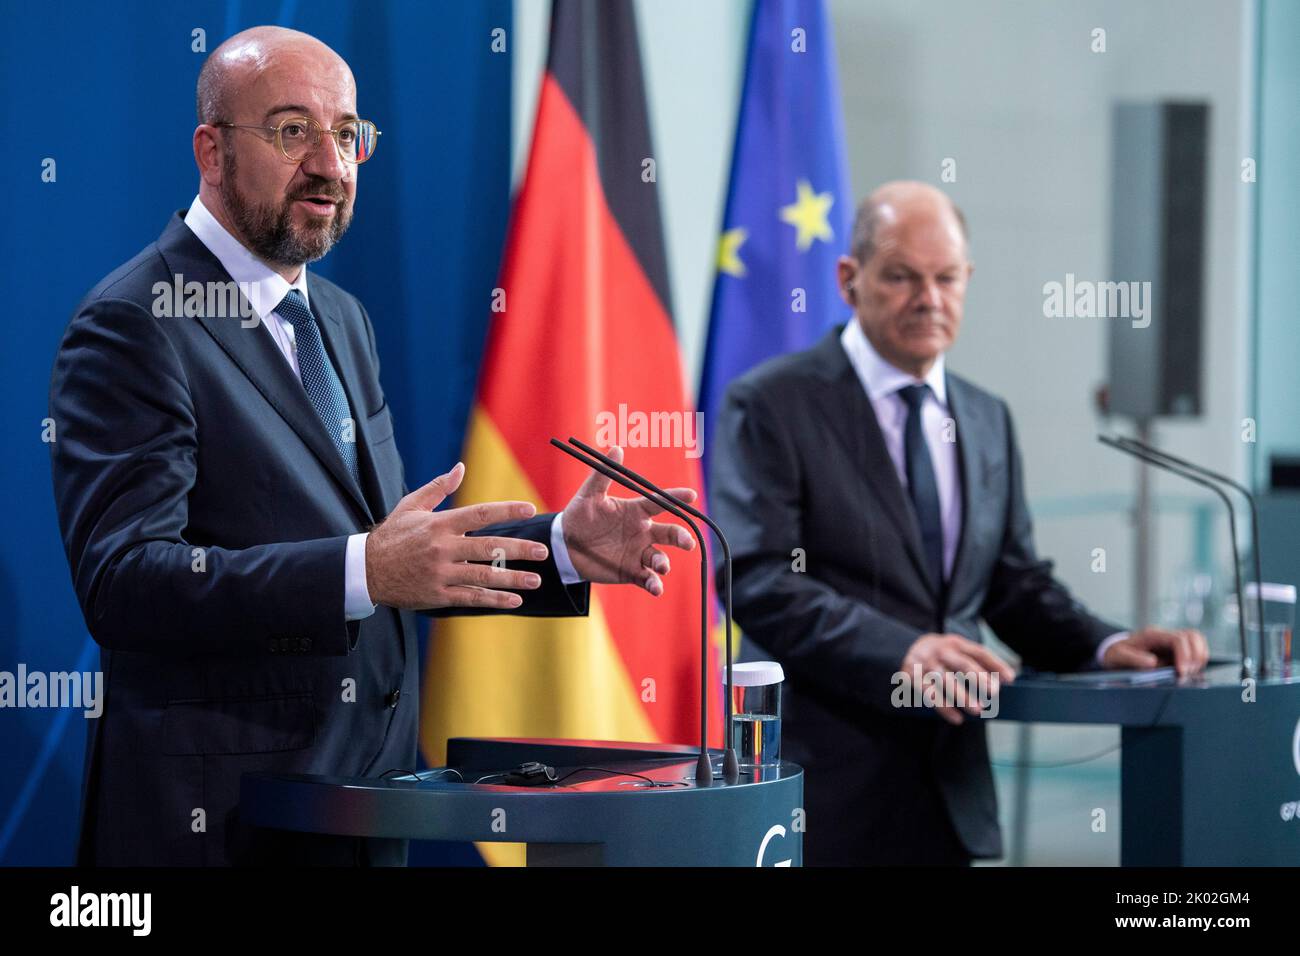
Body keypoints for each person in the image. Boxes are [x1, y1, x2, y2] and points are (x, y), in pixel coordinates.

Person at [47, 26, 696, 866]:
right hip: (220, 824)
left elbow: (397, 550)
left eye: (348, 133)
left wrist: (561, 548)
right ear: (211, 150)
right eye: (293, 131)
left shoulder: (340, 319)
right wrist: (361, 571)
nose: (331, 163)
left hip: (364, 809)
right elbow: (125, 583)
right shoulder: (136, 322)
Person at [710, 180, 1209, 866]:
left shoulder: (985, 417)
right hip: (820, 795)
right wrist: (903, 652)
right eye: (901, 277)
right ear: (849, 280)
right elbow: (757, 578)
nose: (929, 298)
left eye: (946, 277)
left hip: (949, 796)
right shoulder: (772, 403)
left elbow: (1014, 584)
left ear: (967, 279)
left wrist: (1106, 643)